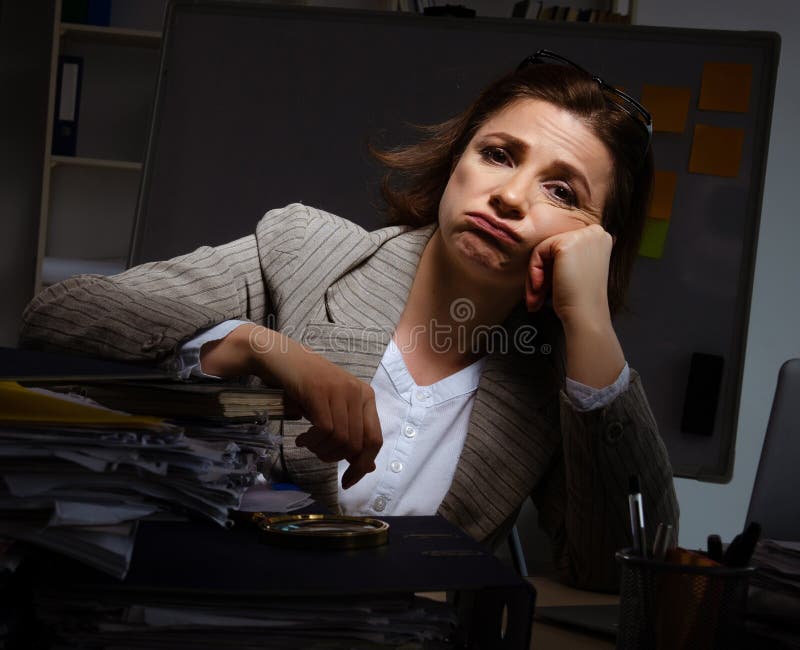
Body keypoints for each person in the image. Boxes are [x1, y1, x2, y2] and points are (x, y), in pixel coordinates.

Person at [21, 50, 679, 591]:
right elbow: (60, 314)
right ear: (457, 161)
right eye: (499, 154)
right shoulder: (305, 251)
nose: (508, 195)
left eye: (562, 191)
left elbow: (626, 569)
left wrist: (590, 322)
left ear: (598, 241)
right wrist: (251, 344)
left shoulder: (558, 385)